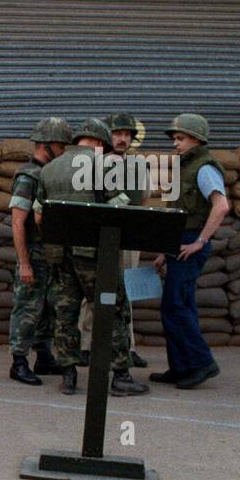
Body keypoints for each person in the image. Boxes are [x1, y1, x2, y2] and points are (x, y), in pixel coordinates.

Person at [39, 118, 147, 397]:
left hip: (61, 254)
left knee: (66, 313)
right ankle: (120, 375)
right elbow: (118, 207)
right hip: (96, 254)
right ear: (99, 143)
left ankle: (68, 375)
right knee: (114, 309)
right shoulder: (104, 165)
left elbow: (41, 215)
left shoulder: (49, 169)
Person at [152, 114, 229, 389]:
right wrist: (164, 251)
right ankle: (181, 367)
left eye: (180, 138)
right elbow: (176, 213)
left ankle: (201, 363)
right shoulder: (185, 167)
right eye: (174, 139)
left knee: (174, 304)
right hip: (179, 242)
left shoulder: (204, 168)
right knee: (180, 304)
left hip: (190, 243)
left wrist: (200, 241)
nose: (176, 144)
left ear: (196, 139)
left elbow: (221, 206)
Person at [77, 111, 149, 369]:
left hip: (129, 236)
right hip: (101, 237)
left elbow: (142, 201)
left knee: (126, 292)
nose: (122, 139)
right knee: (93, 292)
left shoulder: (138, 166)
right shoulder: (95, 164)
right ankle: (85, 345)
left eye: (127, 134)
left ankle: (127, 348)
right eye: (118, 133)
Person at [7, 117, 70, 385]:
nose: (64, 151)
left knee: (48, 308)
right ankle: (18, 362)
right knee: (27, 309)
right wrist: (24, 263)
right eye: (60, 145)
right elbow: (18, 222)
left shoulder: (50, 174)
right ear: (46, 145)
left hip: (51, 254)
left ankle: (44, 356)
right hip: (33, 252)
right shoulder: (28, 176)